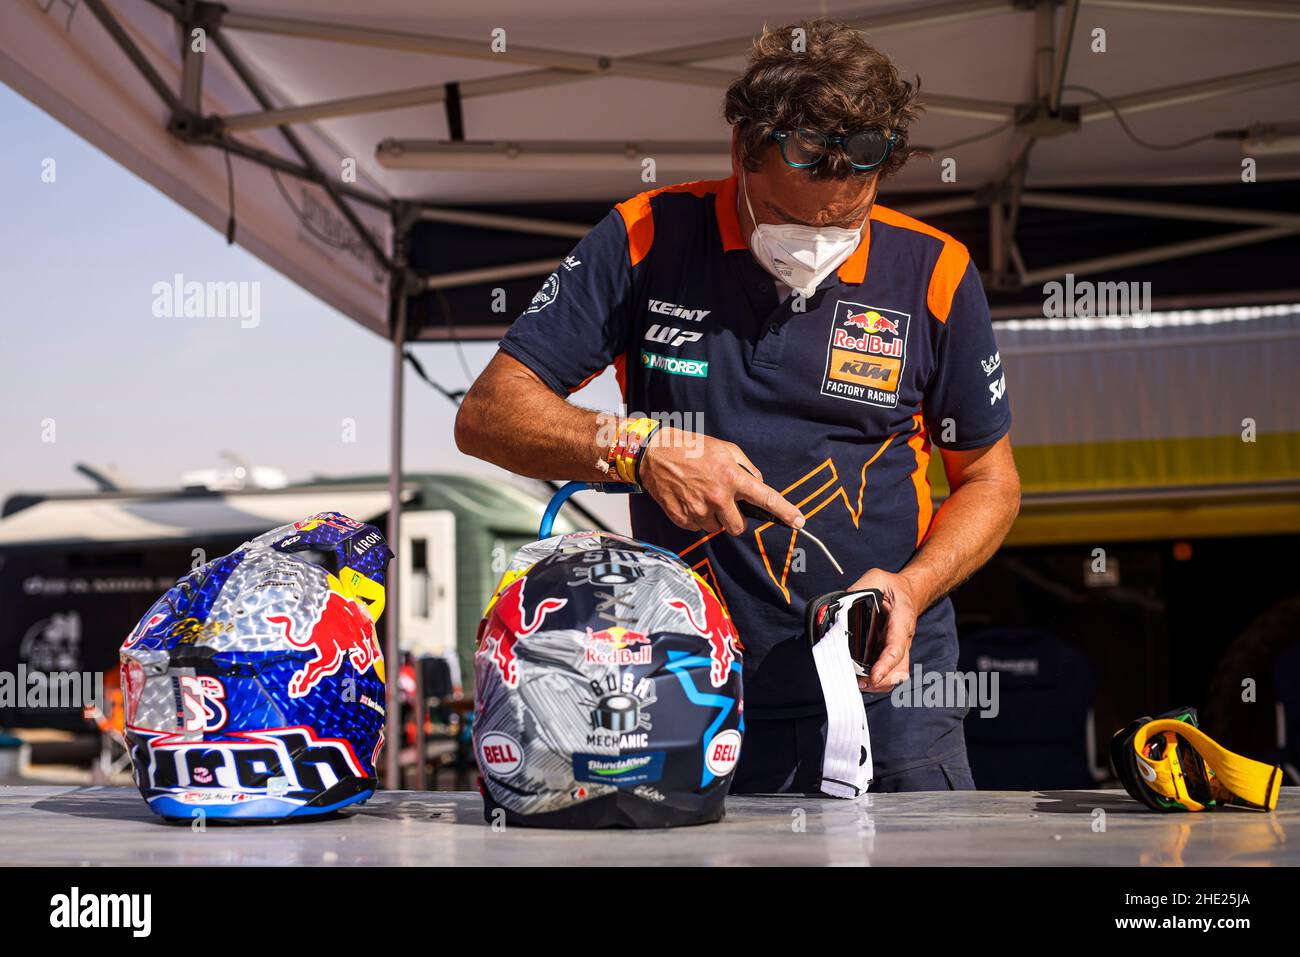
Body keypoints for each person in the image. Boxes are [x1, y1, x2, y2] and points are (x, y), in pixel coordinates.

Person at [455, 18, 1021, 793]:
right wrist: (642, 448)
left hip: (891, 700)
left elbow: (991, 480)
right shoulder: (646, 238)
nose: (817, 243)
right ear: (740, 156)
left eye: (845, 224)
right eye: (792, 222)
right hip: (691, 692)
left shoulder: (934, 272)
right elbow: (488, 412)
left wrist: (915, 585)